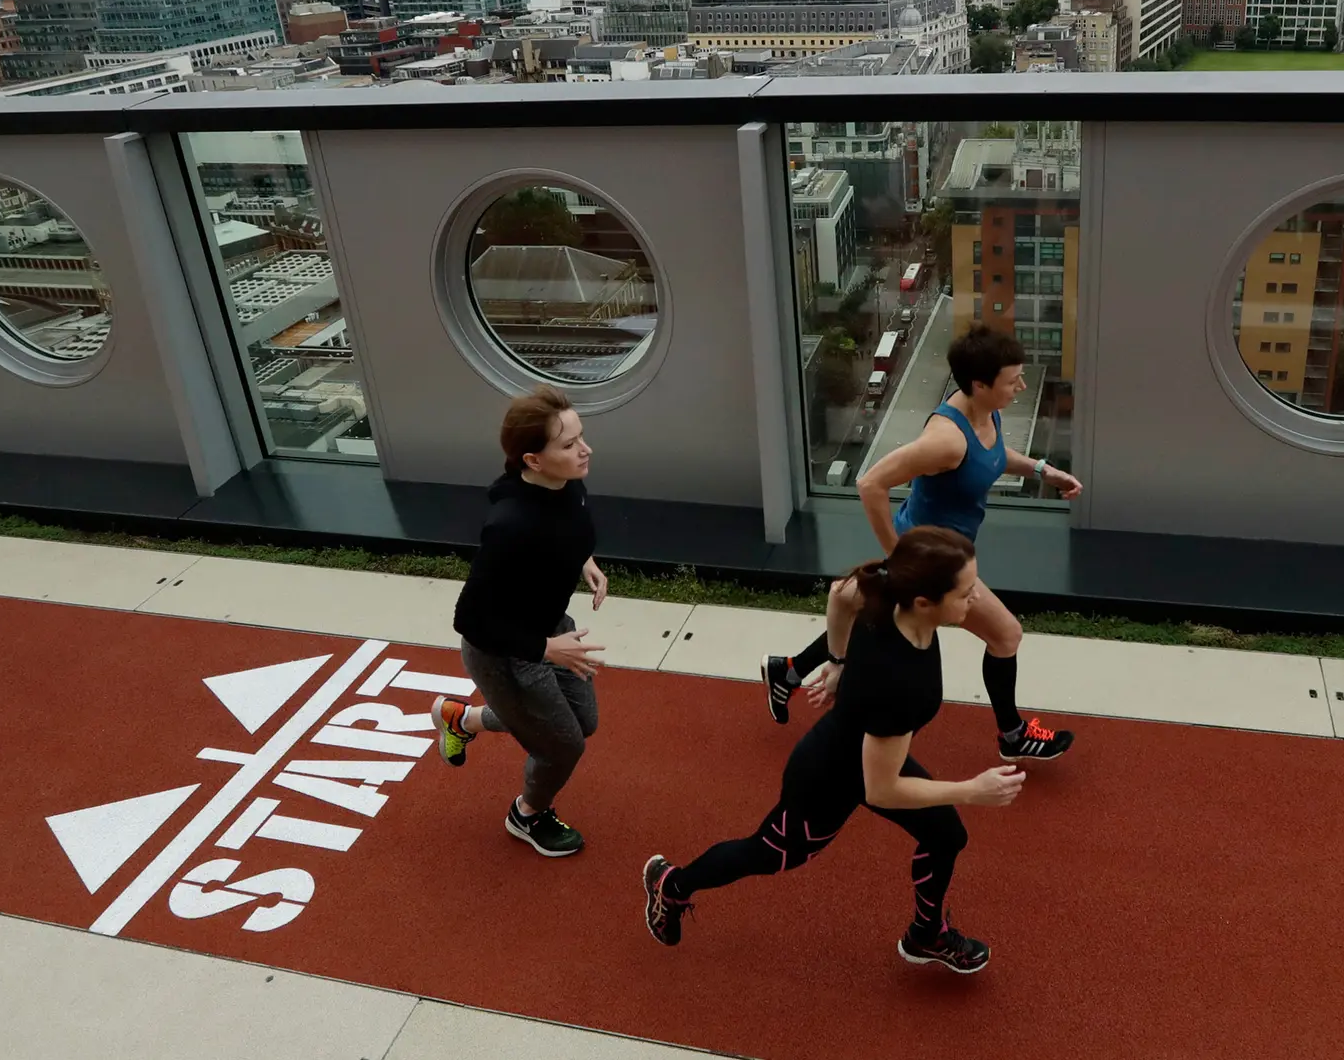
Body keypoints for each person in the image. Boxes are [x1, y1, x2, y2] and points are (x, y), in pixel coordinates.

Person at [643, 527, 1023, 972]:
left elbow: (840, 595)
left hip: (872, 753)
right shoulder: (903, 684)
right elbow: (882, 790)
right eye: (965, 592)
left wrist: (838, 660)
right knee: (769, 854)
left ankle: (925, 934)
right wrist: (971, 790)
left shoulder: (882, 592)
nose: (976, 599)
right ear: (924, 602)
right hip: (829, 775)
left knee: (946, 835)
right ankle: (672, 885)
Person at [763, 328, 1083, 762]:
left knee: (871, 616)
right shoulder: (945, 440)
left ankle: (790, 670)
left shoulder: (986, 414)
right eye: (1013, 381)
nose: (1021, 387)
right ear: (979, 384)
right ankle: (1011, 735)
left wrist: (1043, 470)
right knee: (1005, 633)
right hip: (929, 562)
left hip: (943, 555)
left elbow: (992, 455)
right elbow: (869, 482)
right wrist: (899, 557)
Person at [433, 386, 610, 858]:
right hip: (506, 653)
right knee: (563, 747)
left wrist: (583, 561)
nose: (585, 449)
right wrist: (547, 649)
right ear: (533, 459)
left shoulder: (566, 484)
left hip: (550, 628)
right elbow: (469, 618)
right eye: (569, 444)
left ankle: (462, 719)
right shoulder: (510, 526)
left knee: (582, 722)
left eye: (581, 436)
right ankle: (527, 815)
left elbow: (565, 533)